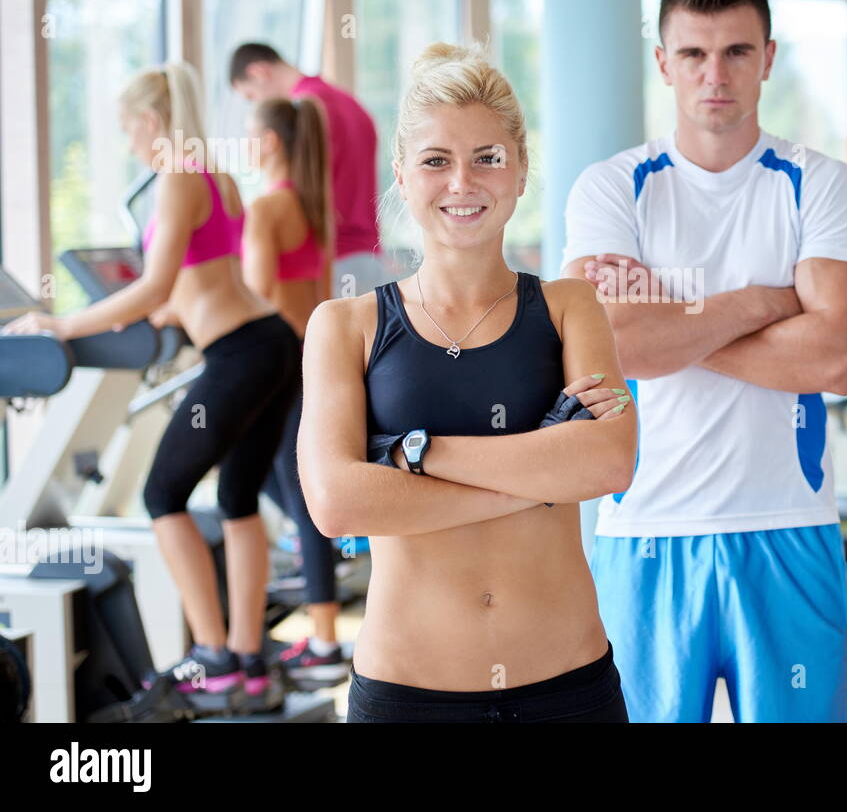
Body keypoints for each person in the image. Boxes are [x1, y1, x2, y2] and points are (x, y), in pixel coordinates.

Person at [561, 0, 847, 722]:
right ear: (663, 61)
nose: (716, 74)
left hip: (790, 531)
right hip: (643, 537)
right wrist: (765, 303)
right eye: (695, 54)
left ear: (768, 58)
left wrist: (670, 320)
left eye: (738, 51)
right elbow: (607, 345)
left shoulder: (821, 184)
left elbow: (838, 357)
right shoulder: (612, 188)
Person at [297, 42, 638, 723]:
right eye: (435, 161)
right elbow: (336, 503)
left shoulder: (571, 305)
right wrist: (542, 469)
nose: (462, 182)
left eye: (487, 158)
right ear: (400, 173)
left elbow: (607, 460)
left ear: (519, 171)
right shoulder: (345, 326)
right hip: (406, 695)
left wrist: (412, 454)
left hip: (565, 688)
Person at [3, 63, 302, 714]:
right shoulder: (216, 175)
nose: (129, 143)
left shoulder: (174, 176)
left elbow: (156, 285)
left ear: (148, 121)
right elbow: (202, 279)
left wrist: (60, 322)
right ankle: (247, 663)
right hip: (274, 341)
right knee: (238, 497)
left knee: (163, 492)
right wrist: (161, 314)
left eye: (127, 130)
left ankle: (214, 659)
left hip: (240, 353)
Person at [239, 95, 347, 684]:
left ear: (271, 142)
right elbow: (322, 295)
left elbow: (253, 299)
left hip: (279, 369)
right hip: (313, 361)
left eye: (250, 133)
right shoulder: (312, 207)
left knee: (298, 500)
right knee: (300, 496)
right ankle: (322, 624)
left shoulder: (266, 209)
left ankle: (325, 639)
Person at [229, 43, 388, 296]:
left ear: (259, 72)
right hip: (372, 262)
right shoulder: (352, 104)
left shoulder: (309, 115)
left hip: (332, 266)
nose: (257, 107)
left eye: (251, 97)